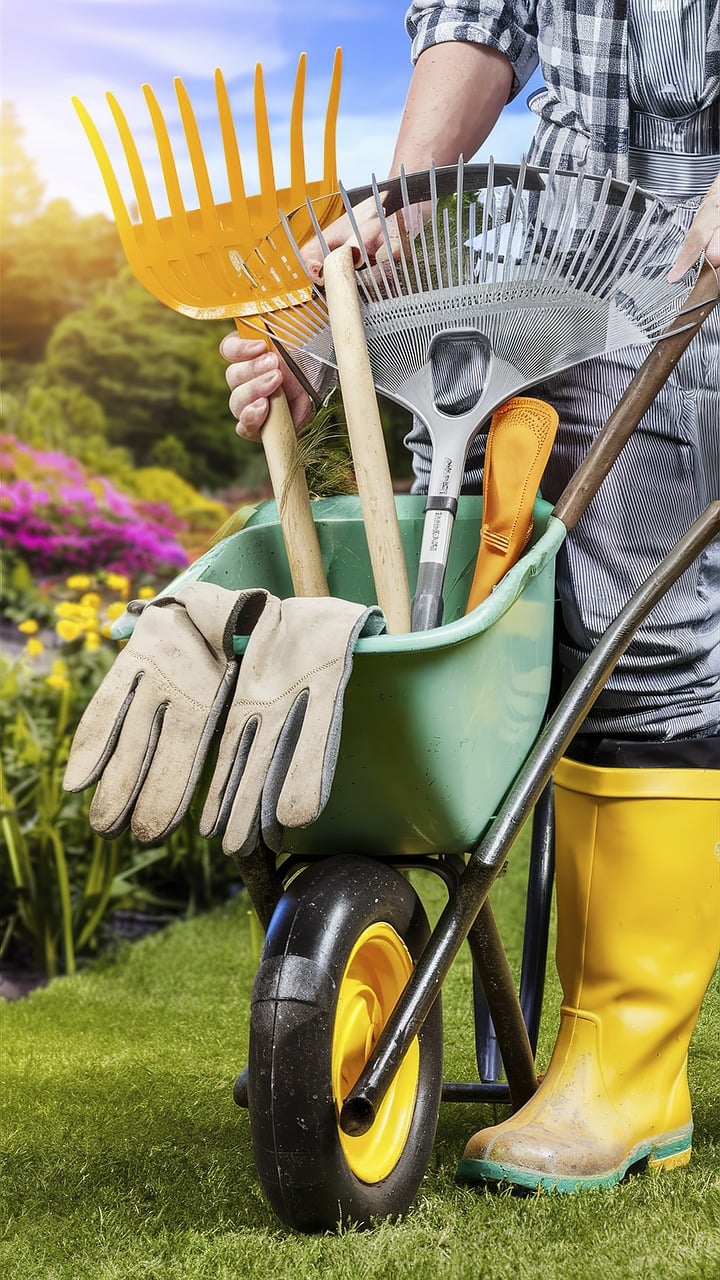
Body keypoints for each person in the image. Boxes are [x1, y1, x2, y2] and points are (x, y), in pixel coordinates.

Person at [220, 2, 720, 1193]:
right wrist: (405, 206)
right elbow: (484, 17)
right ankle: (622, 1056)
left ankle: (620, 1051)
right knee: (607, 625)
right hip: (579, 251)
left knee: (648, 629)